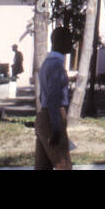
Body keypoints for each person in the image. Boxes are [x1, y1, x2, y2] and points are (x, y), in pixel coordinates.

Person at [36, 28, 74, 171]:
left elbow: (42, 95)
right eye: (69, 40)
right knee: (64, 166)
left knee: (42, 166)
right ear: (59, 42)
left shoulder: (46, 63)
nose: (72, 44)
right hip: (54, 117)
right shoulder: (57, 66)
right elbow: (53, 99)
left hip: (43, 116)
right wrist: (56, 127)